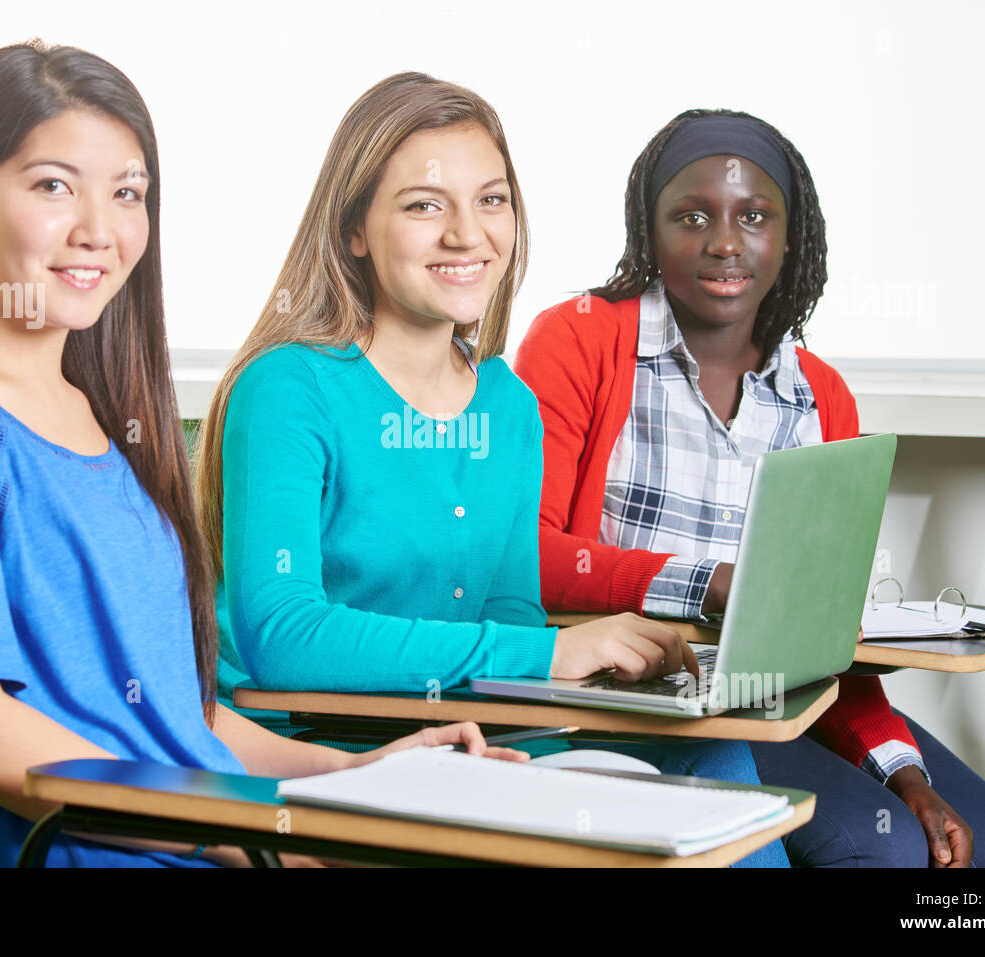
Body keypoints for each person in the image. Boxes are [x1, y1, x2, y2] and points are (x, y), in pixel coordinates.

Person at [0, 41, 524, 869]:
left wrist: (355, 777)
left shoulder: (101, 417)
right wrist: (227, 835)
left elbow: (183, 716)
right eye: (53, 185)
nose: (98, 230)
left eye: (127, 193)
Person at [196, 75, 788, 867]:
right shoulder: (288, 389)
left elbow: (507, 618)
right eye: (423, 205)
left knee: (722, 767)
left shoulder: (507, 404)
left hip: (471, 741)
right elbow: (284, 638)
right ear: (354, 232)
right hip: (325, 753)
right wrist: (546, 658)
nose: (467, 235)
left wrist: (607, 672)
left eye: (492, 200)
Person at [514, 107, 985, 867]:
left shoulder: (821, 395)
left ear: (790, 236)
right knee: (876, 852)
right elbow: (524, 555)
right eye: (691, 216)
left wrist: (906, 774)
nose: (725, 242)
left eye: (755, 217)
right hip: (644, 700)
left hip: (786, 699)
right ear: (647, 231)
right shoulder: (581, 340)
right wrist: (710, 583)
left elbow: (822, 637)